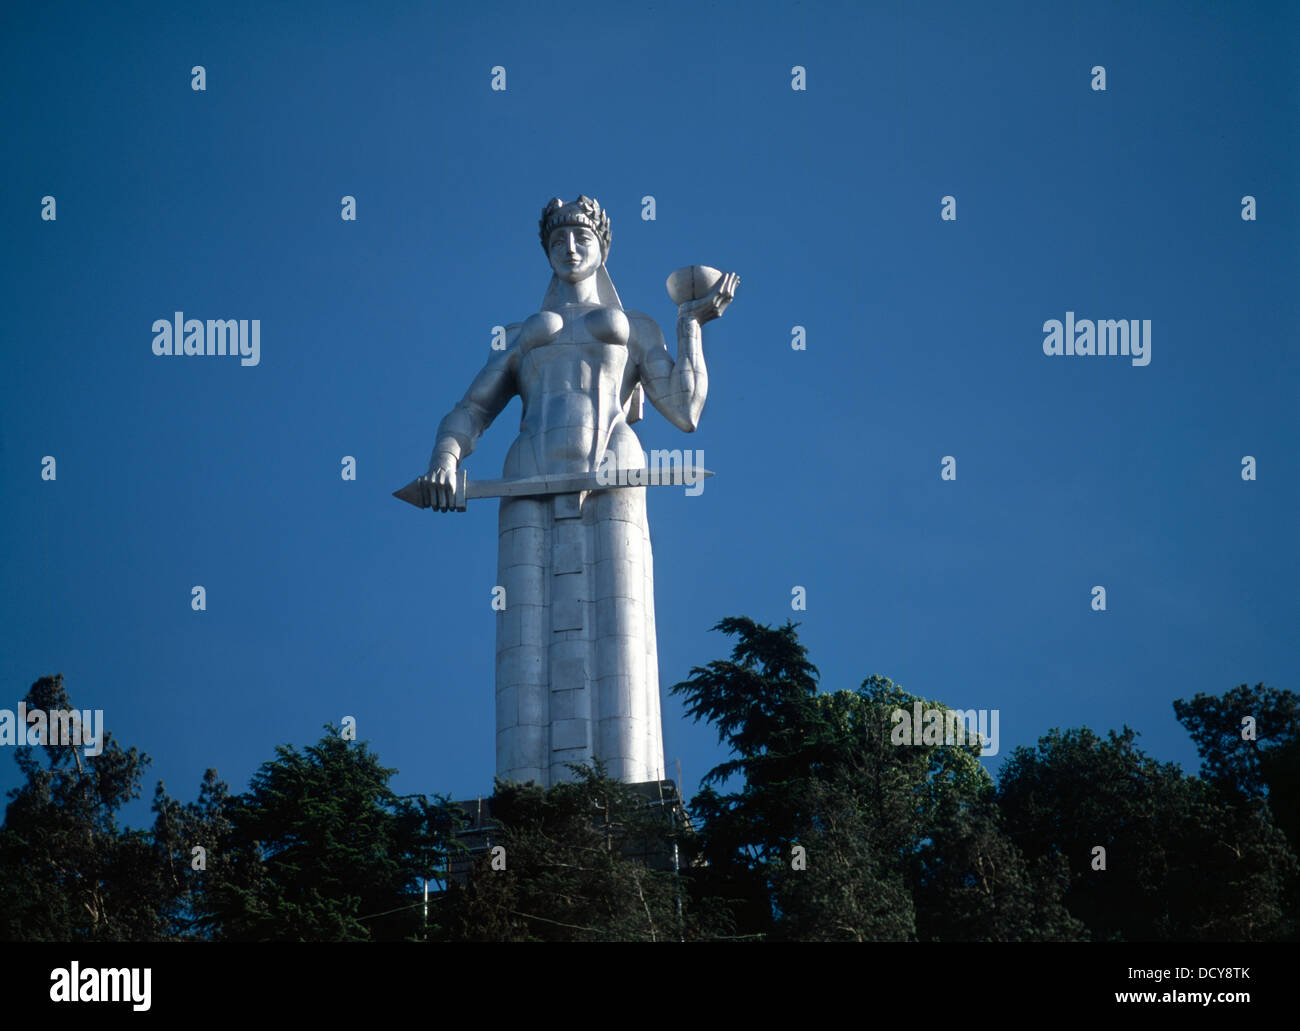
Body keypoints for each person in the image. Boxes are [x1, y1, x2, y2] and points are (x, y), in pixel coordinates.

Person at [419, 195, 737, 785]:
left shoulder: (634, 326)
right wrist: (445, 457)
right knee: (525, 638)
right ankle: (525, 804)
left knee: (620, 626)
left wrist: (690, 326)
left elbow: (685, 410)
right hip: (527, 477)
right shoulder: (522, 334)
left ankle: (627, 789)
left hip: (614, 468)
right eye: (558, 240)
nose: (569, 248)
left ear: (601, 247)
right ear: (546, 251)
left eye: (581, 238)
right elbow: (470, 409)